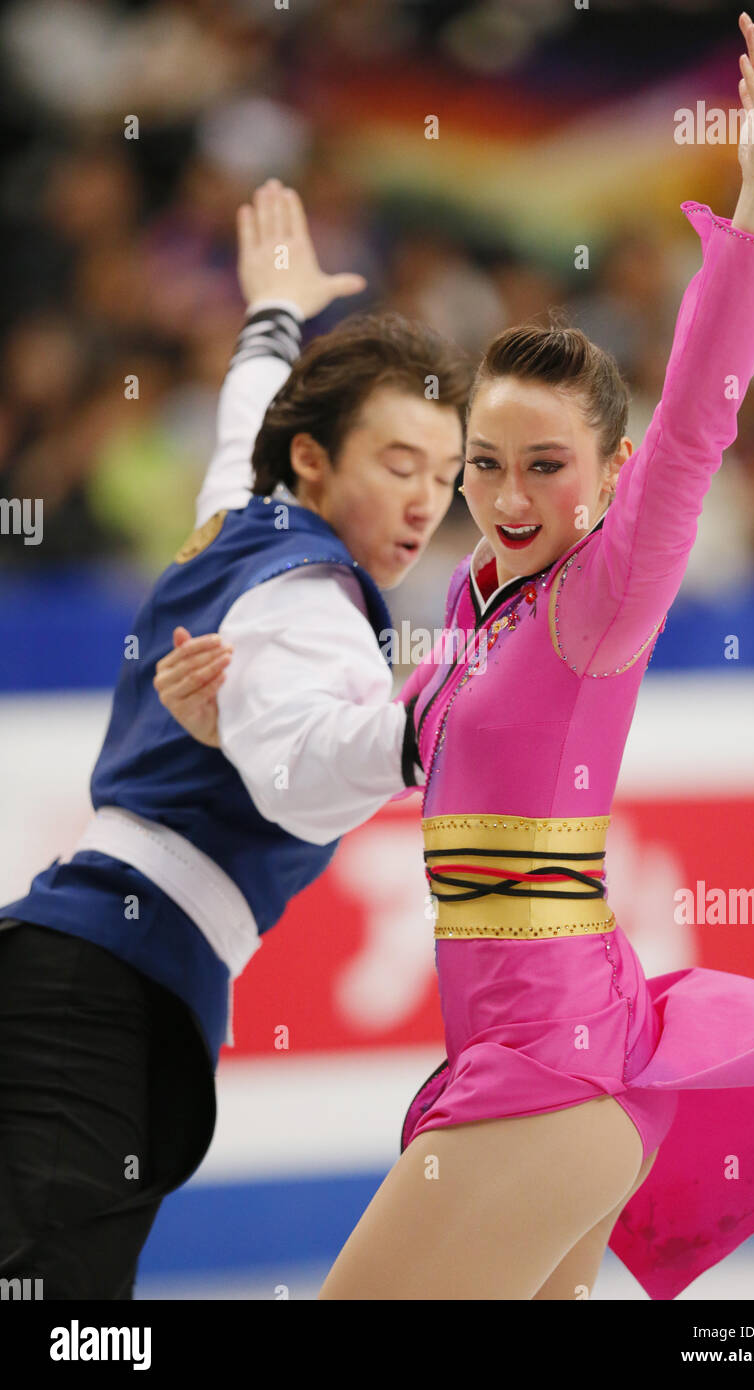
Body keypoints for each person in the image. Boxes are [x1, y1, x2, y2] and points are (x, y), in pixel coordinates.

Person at [158, 13, 754, 1301]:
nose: (509, 493)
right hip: (533, 1073)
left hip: (552, 1072)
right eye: (484, 463)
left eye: (547, 466)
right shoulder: (464, 634)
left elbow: (698, 422)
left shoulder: (598, 602)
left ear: (602, 481)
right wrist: (219, 725)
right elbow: (351, 753)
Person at [0, 179, 472, 1299]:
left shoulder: (241, 510)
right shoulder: (311, 599)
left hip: (74, 967)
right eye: (398, 464)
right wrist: (435, 726)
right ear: (313, 459)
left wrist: (272, 311)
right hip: (103, 993)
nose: (424, 503)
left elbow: (244, 412)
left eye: (445, 477)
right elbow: (303, 766)